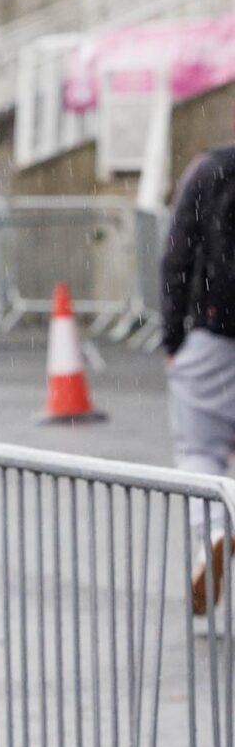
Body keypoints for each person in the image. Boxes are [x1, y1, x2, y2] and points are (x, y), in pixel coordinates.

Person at [160, 134, 235, 606]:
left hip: (213, 329)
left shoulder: (209, 170)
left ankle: (212, 531)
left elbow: (177, 256)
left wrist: (173, 337)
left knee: (198, 448)